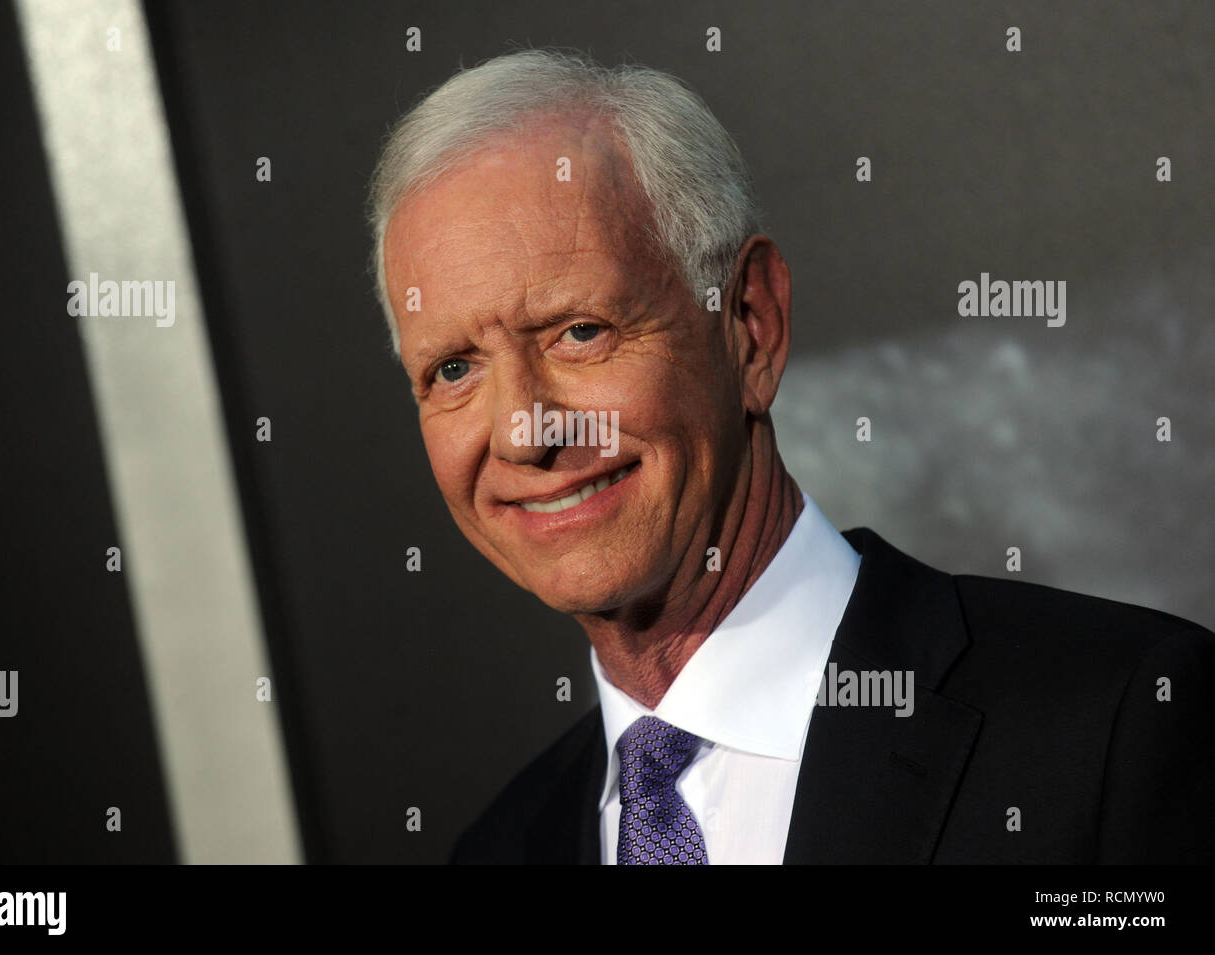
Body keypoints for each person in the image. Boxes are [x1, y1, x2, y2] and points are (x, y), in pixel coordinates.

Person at [366, 49, 1215, 864]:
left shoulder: (1117, 728)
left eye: (580, 331)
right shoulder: (500, 848)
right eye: (453, 368)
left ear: (750, 325)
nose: (524, 432)